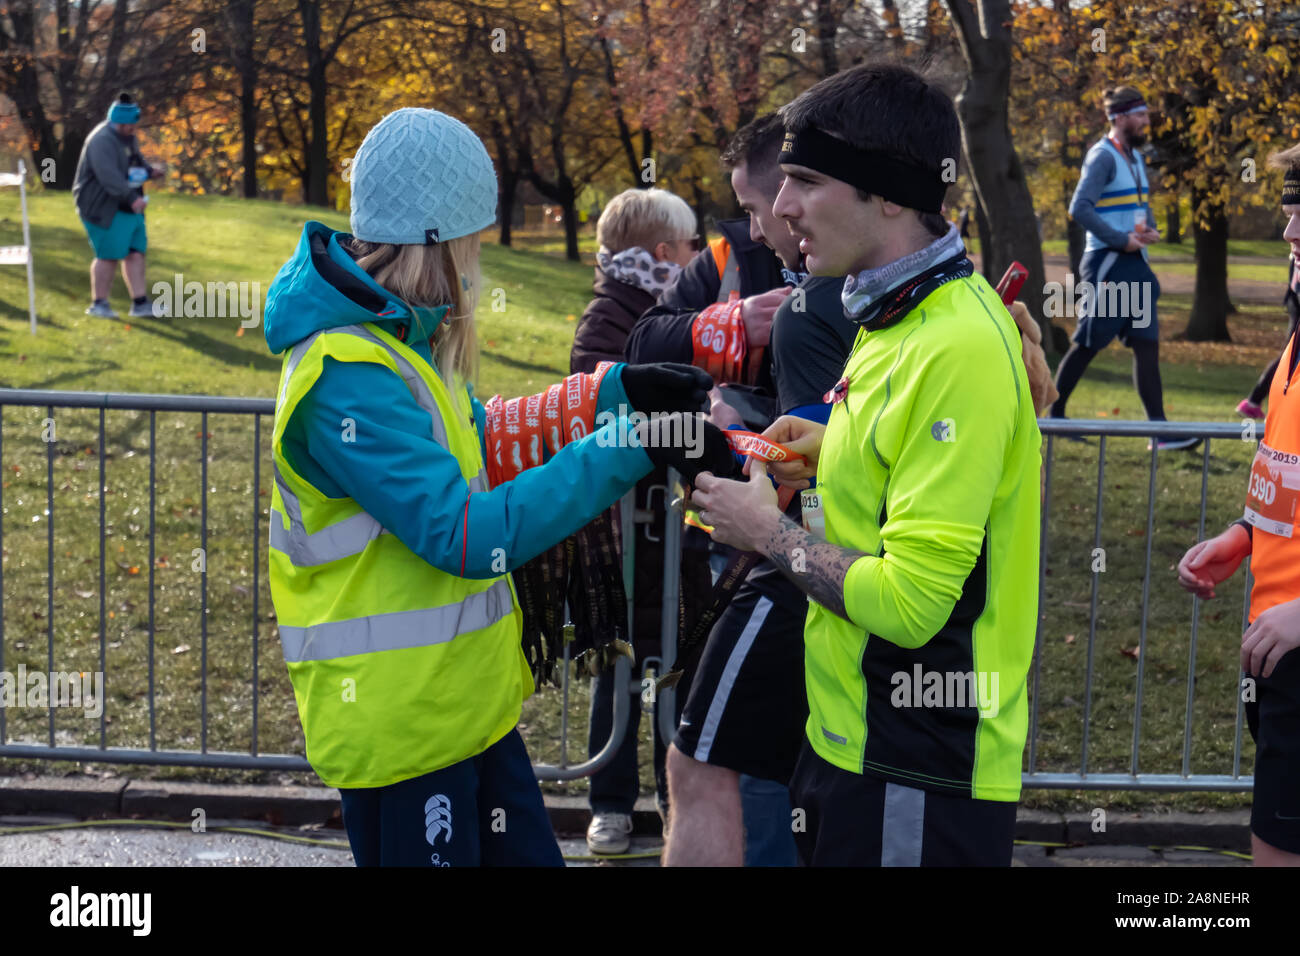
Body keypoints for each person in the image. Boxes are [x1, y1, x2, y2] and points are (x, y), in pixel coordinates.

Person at [262, 107, 734, 867]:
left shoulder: (400, 345)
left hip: (465, 714)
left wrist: (614, 393)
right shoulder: (346, 376)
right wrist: (630, 443)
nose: (475, 263)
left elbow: (488, 436)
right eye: (470, 242)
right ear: (435, 243)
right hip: (406, 734)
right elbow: (464, 534)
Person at [690, 63, 1042, 866]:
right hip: (857, 746)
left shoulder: (952, 341)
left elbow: (913, 604)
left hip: (916, 764)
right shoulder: (891, 310)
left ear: (889, 193)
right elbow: (900, 473)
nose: (779, 208)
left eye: (805, 181)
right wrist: (826, 451)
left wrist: (767, 532)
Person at [629, 113, 859, 867]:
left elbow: (819, 460)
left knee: (700, 760)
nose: (763, 229)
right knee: (771, 767)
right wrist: (722, 329)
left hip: (798, 569)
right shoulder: (906, 297)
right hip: (832, 570)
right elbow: (636, 339)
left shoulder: (822, 305)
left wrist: (740, 466)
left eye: (763, 208)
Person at [569, 186, 703, 855]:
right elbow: (596, 393)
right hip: (626, 530)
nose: (695, 255)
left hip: (668, 527)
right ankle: (611, 801)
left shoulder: (672, 309)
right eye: (686, 246)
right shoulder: (609, 318)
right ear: (660, 253)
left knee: (672, 662)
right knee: (619, 667)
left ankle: (672, 798)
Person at [1176, 143, 1300, 867]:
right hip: (1275, 654)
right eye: (1288, 215)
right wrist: (1244, 535)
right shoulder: (1294, 340)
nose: (1288, 235)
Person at [1050, 86, 1197, 451]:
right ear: (1119, 118)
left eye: (1146, 115)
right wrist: (1120, 240)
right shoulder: (1101, 156)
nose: (1146, 122)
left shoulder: (1136, 158)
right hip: (1109, 263)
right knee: (1088, 341)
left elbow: (1138, 205)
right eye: (1140, 116)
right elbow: (1079, 208)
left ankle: (1159, 431)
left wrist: (1148, 228)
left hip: (1135, 264)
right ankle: (1053, 417)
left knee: (1148, 345)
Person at [72, 92, 166, 319]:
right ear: (120, 122)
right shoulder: (101, 140)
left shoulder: (127, 136)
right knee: (108, 254)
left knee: (135, 252)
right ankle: (99, 304)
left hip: (127, 205)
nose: (134, 129)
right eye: (130, 125)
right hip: (102, 207)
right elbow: (109, 177)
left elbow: (135, 159)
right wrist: (132, 198)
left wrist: (150, 171)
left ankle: (140, 303)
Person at [1237, 250, 1300, 419]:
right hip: (1296, 301)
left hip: (1294, 300)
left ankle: (1255, 401)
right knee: (1290, 357)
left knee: (1291, 357)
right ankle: (1255, 401)